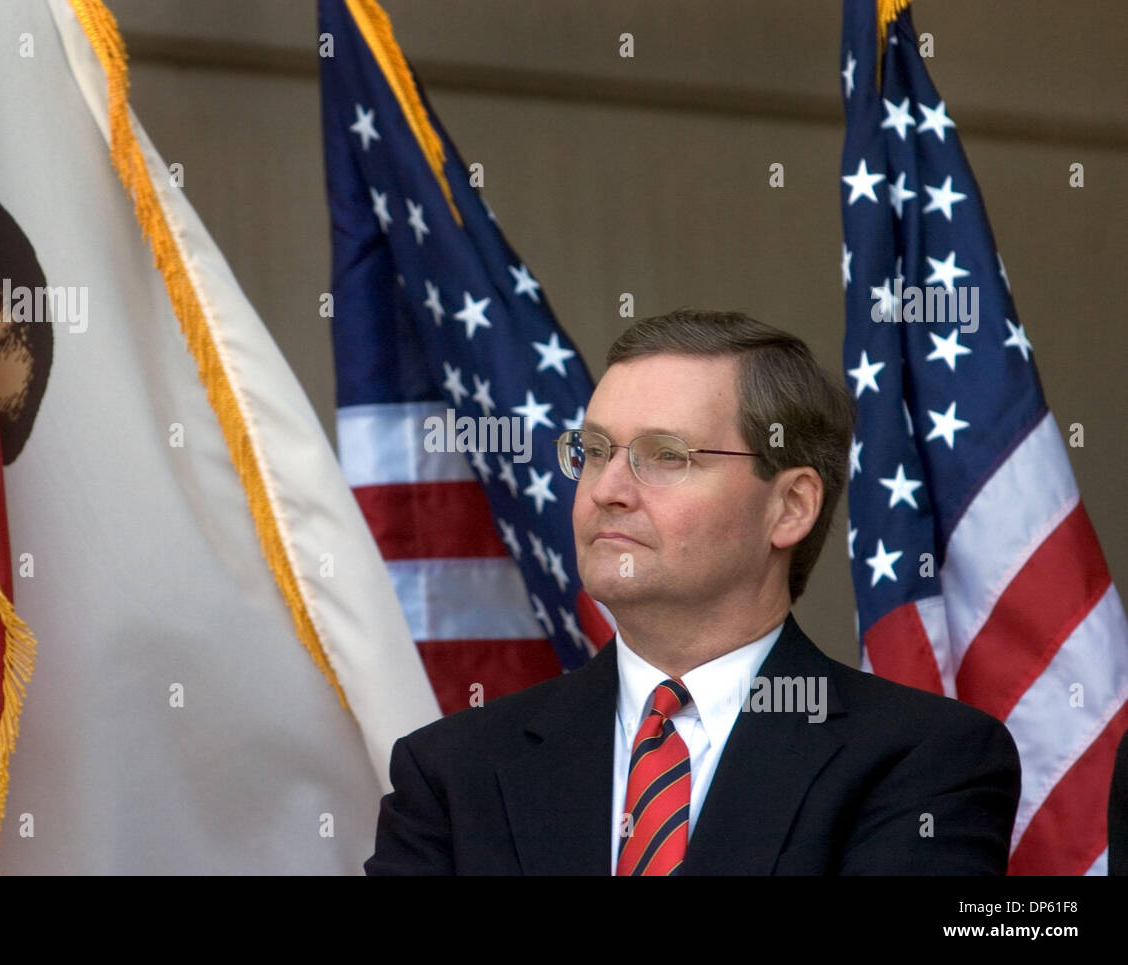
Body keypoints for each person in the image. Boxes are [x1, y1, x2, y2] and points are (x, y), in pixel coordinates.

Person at [365, 308, 1021, 875]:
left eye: (664, 456)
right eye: (594, 451)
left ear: (790, 506)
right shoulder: (451, 772)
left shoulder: (924, 759)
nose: (606, 490)